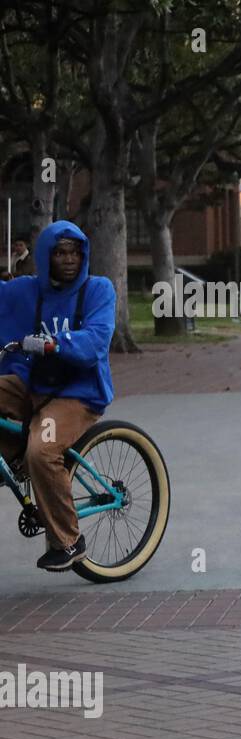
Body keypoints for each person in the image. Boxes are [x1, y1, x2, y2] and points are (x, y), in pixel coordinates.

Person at [0, 221, 115, 570]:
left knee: (42, 448)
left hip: (78, 393)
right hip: (32, 385)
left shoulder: (98, 290)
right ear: (45, 256)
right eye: (60, 252)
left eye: (75, 252)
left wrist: (56, 343)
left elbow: (95, 341)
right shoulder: (27, 290)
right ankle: (13, 454)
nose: (69, 260)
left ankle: (68, 541)